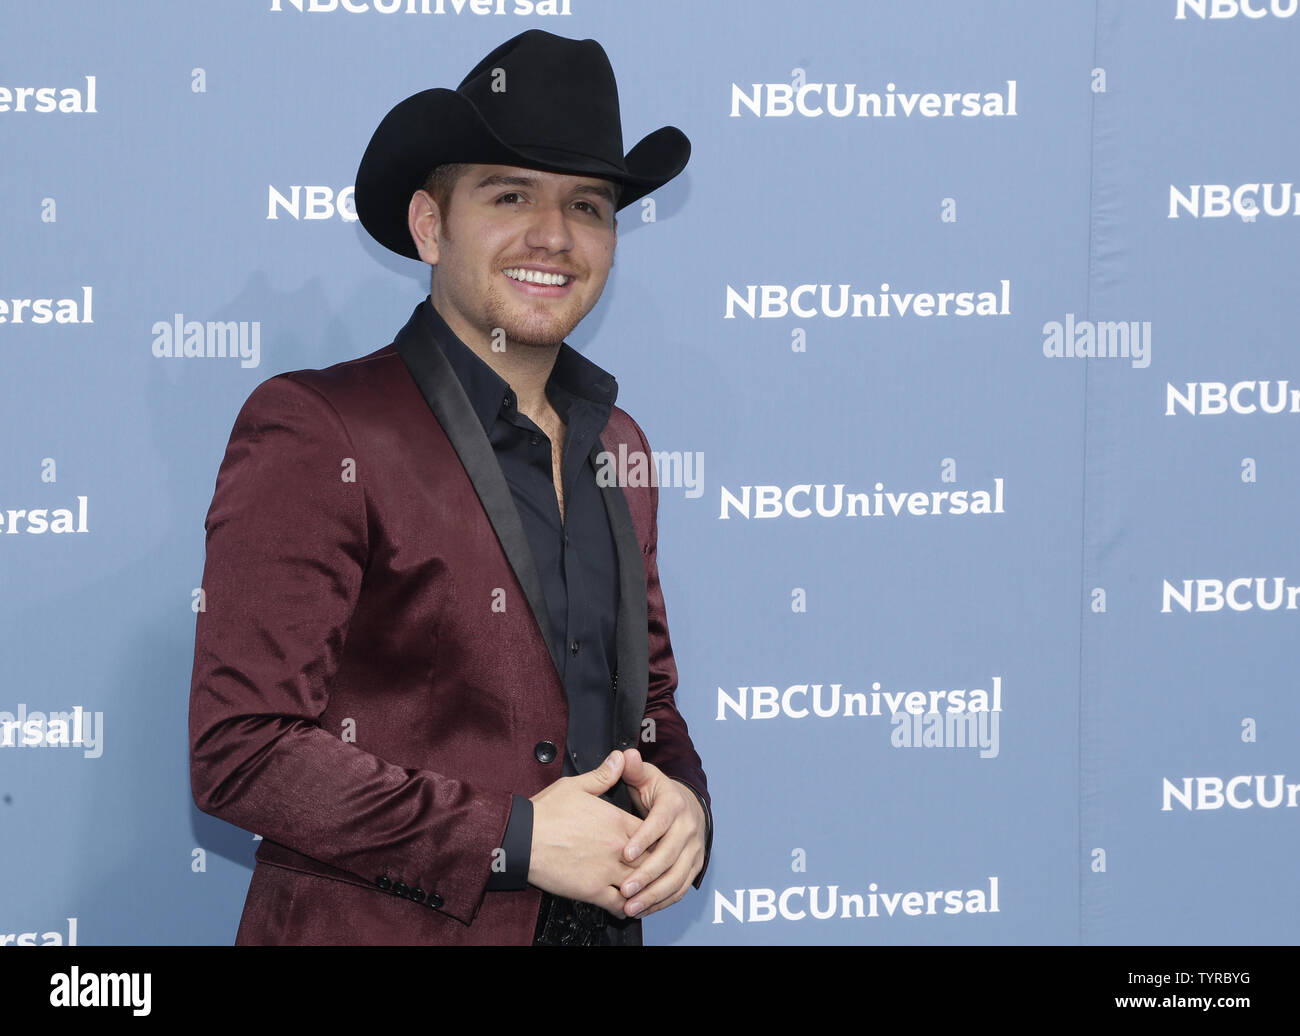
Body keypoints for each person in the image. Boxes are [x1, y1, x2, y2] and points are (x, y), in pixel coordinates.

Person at [188, 30, 710, 946]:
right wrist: (515, 841)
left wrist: (687, 808)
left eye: (587, 206)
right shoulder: (318, 427)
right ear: (431, 226)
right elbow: (245, 748)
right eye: (511, 196)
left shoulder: (619, 446)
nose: (553, 236)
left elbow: (649, 703)